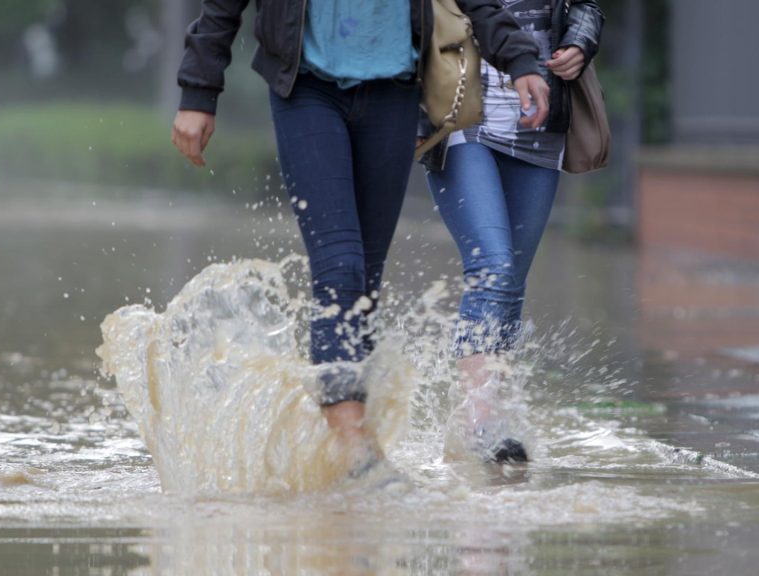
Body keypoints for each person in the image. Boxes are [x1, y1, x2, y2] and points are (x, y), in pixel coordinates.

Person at [170, 0, 552, 477]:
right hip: (305, 92)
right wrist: (198, 92)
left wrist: (520, 62)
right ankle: (355, 445)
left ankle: (343, 436)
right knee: (340, 270)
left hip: (392, 97)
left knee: (365, 286)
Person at [423, 0, 604, 464]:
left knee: (511, 280)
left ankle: (485, 413)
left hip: (540, 123)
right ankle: (482, 423)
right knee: (493, 265)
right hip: (465, 115)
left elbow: (583, 7)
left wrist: (579, 43)